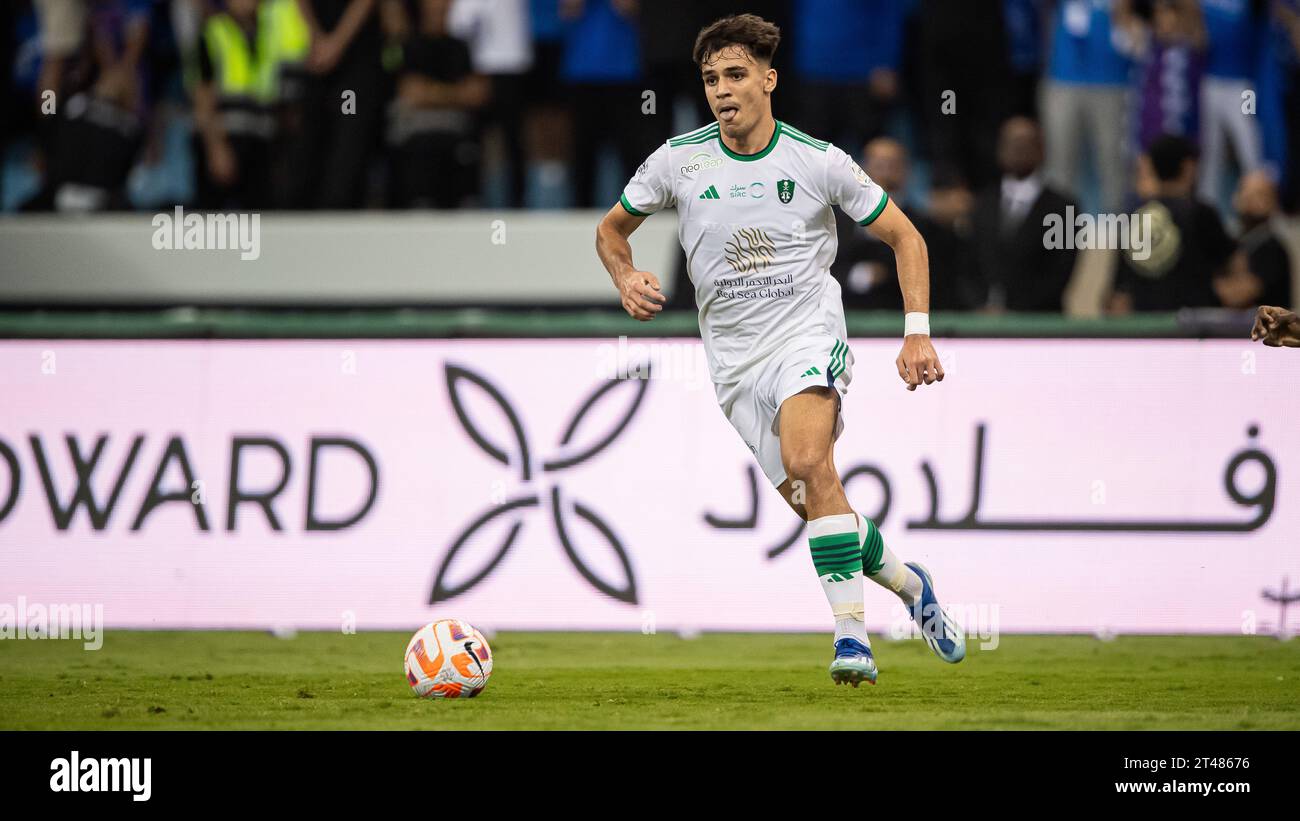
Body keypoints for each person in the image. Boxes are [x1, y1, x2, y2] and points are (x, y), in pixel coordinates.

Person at [594, 14, 965, 687]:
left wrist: (917, 330)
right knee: (814, 496)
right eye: (710, 79)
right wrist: (624, 274)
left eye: (735, 75)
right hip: (732, 364)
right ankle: (912, 586)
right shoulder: (679, 160)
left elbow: (907, 237)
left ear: (769, 78)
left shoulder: (816, 160)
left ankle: (851, 637)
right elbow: (612, 229)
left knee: (805, 457)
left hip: (805, 335)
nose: (722, 90)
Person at [1109, 134, 1236, 312]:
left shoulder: (1133, 217)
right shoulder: (1201, 214)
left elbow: (1118, 293)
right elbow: (1233, 270)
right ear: (1189, 167)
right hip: (1193, 329)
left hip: (1143, 329)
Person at [970, 116, 1079, 312]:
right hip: (984, 323)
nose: (1018, 149)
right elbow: (967, 265)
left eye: (1025, 143)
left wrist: (1013, 311)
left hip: (1040, 324)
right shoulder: (982, 203)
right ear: (999, 149)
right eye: (1012, 142)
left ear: (1042, 150)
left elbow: (1059, 274)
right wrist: (981, 305)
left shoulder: (1064, 208)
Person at [1213, 171, 1294, 310]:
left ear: (1273, 202)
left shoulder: (1272, 248)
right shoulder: (1232, 242)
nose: (1250, 200)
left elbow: (1238, 297)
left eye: (1260, 195)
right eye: (1245, 192)